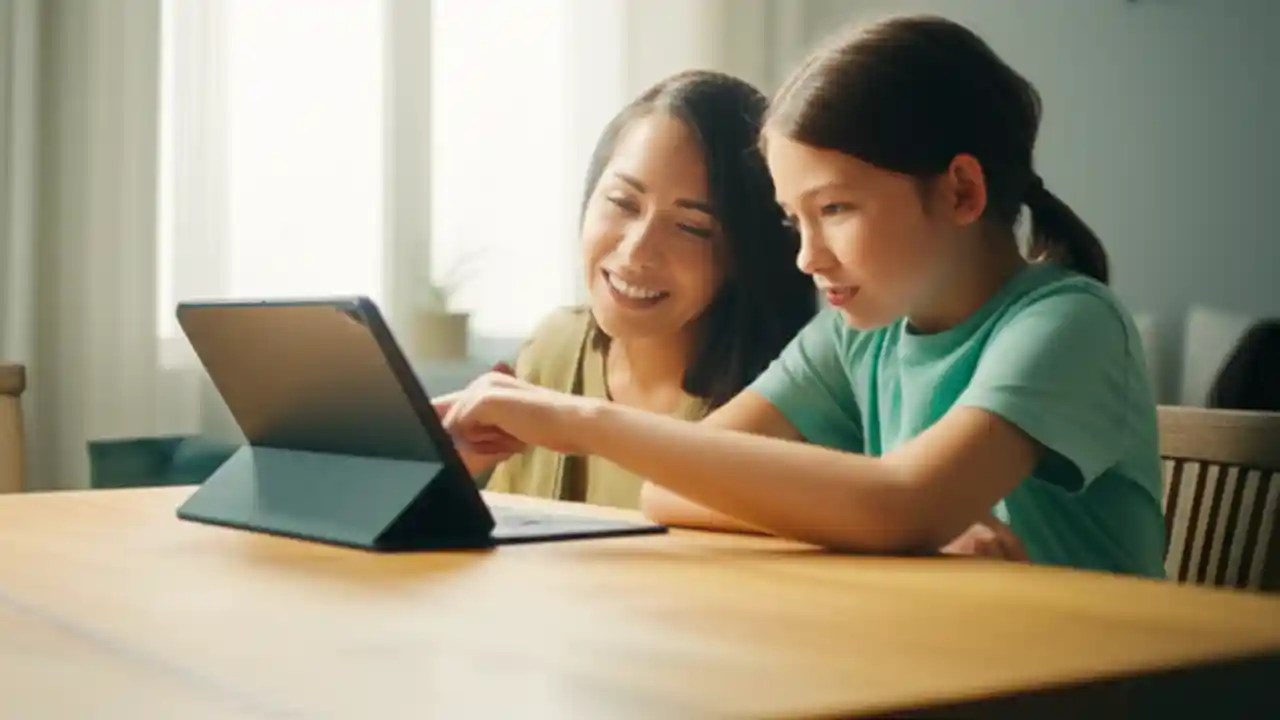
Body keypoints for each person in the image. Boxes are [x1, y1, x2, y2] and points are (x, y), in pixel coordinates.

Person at [443, 16, 1165, 575]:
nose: (806, 255)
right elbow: (670, 491)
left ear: (961, 190)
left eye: (836, 211)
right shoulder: (860, 333)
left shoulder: (1070, 323)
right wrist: (897, 532)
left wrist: (579, 419)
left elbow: (905, 502)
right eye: (794, 219)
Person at [479, 70, 815, 508]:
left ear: (743, 251)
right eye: (622, 203)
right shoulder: (555, 348)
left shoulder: (781, 402)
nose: (638, 252)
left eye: (691, 227)